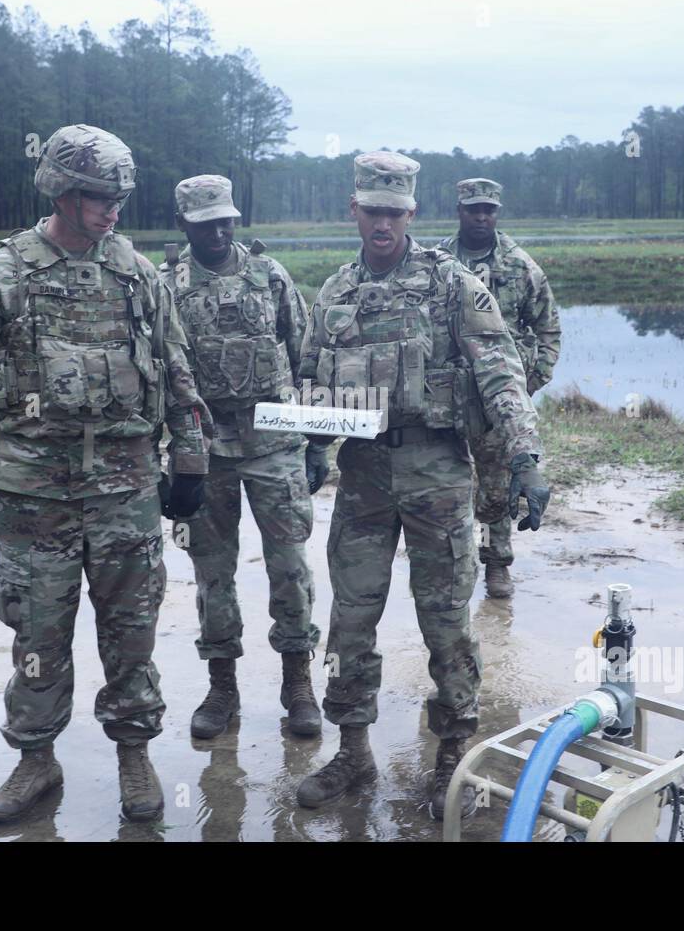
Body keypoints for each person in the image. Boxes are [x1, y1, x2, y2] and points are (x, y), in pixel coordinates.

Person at [0, 124, 211, 824]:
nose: (113, 210)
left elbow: (176, 370)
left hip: (125, 490)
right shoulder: (5, 274)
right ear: (62, 191)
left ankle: (133, 751)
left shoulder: (137, 275)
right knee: (39, 633)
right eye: (99, 198)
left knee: (131, 629)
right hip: (32, 492)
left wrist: (190, 458)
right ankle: (34, 758)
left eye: (120, 198)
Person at [295, 151, 550, 819]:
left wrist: (526, 456)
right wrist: (312, 447)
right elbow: (312, 382)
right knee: (350, 618)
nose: (382, 223)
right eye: (371, 211)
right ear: (354, 211)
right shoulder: (335, 293)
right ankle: (353, 750)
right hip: (364, 477)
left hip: (438, 471)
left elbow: (501, 372)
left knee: (445, 621)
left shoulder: (451, 284)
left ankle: (451, 756)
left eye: (394, 212)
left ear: (411, 213)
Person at [158, 174, 322, 740]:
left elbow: (306, 358)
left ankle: (297, 680)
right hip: (206, 447)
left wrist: (318, 443)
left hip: (274, 441)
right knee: (212, 572)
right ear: (184, 225)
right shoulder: (168, 286)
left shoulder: (268, 274)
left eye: (227, 220)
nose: (220, 232)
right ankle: (222, 684)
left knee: (290, 566)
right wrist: (172, 461)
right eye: (207, 224)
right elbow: (159, 376)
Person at [437, 178, 561, 598]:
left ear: (497, 212)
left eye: (489, 209)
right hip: (447, 395)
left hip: (499, 400)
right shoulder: (437, 260)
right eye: (474, 209)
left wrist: (530, 383)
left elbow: (548, 328)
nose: (481, 216)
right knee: (442, 483)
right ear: (460, 211)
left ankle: (496, 565)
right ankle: (448, 566)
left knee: (493, 487)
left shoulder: (520, 265)